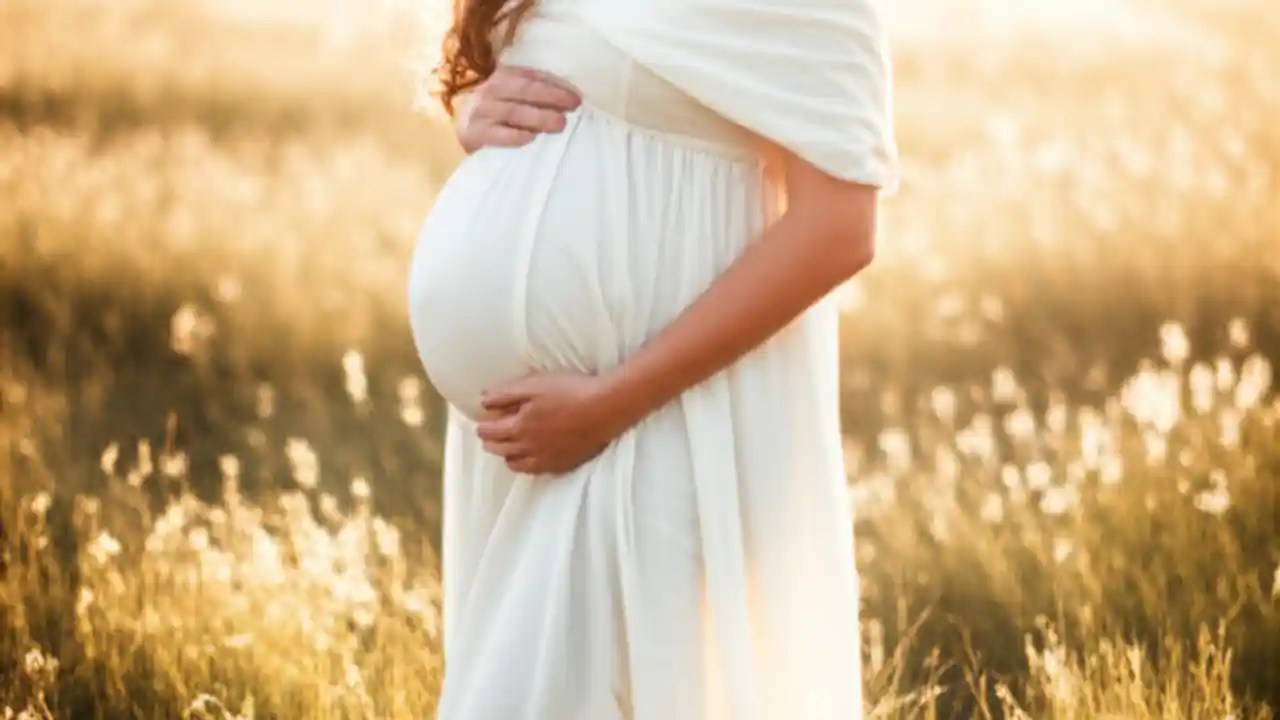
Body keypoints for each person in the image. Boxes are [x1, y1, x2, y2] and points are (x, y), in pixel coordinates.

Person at [405, 0, 900, 717]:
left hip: (657, 416)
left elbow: (841, 228)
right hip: (537, 440)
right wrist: (471, 108)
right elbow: (504, 66)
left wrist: (611, 403)